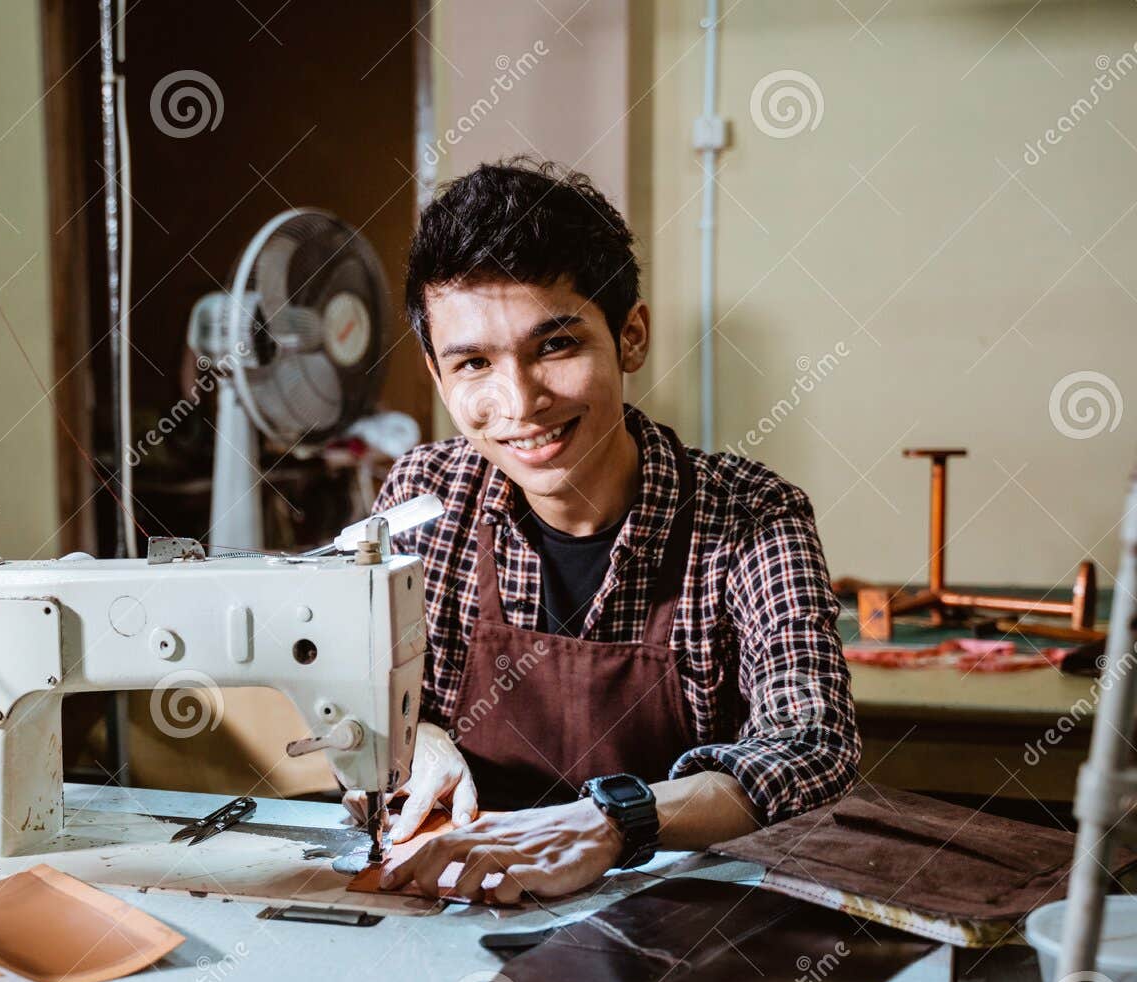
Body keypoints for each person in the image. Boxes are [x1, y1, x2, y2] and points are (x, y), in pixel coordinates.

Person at [362, 158, 857, 903]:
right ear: (438, 375)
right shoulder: (423, 500)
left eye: (555, 346)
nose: (519, 402)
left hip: (681, 926)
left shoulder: (749, 518)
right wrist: (414, 743)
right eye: (474, 363)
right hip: (467, 906)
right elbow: (360, 696)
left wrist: (614, 821)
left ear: (631, 337)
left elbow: (813, 748)